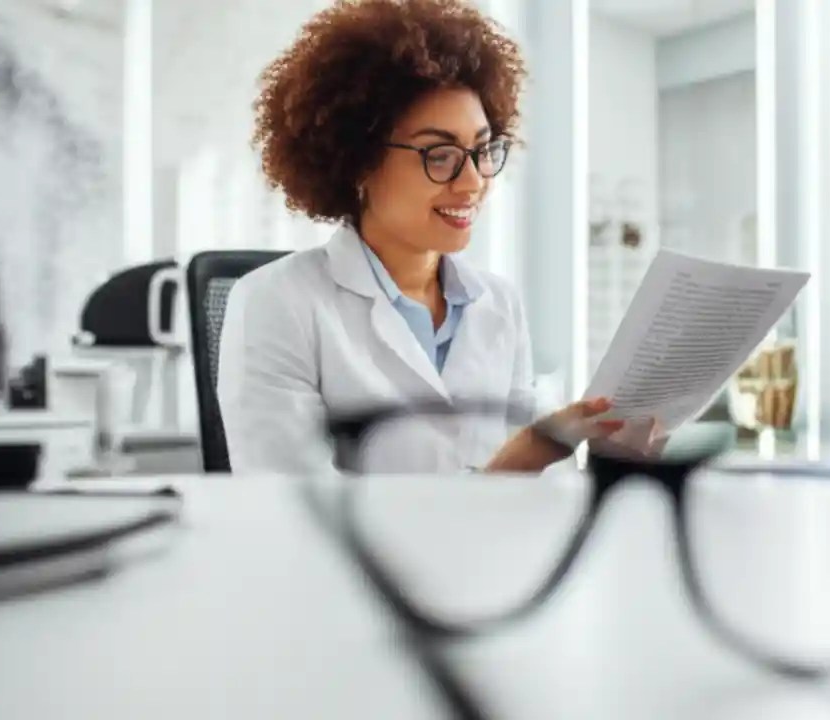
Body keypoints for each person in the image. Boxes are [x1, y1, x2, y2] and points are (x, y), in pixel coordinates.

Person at [220, 0, 636, 474]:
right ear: (358, 162)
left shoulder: (498, 304)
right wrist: (507, 471)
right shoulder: (274, 301)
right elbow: (292, 510)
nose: (474, 181)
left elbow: (546, 493)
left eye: (483, 150)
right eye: (439, 155)